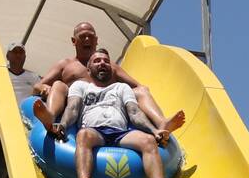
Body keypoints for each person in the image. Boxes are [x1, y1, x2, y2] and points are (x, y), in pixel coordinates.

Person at [50, 48, 175, 178]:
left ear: (111, 67)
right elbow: (72, 109)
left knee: (148, 141)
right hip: (95, 131)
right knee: (83, 135)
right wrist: (64, 125)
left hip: (120, 133)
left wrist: (154, 130)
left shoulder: (121, 88)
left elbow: (135, 113)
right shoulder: (81, 86)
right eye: (97, 61)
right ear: (88, 70)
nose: (102, 63)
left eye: (106, 61)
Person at [32, 21, 183, 136]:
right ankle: (50, 117)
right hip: (74, 105)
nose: (87, 39)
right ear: (74, 41)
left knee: (142, 90)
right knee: (58, 84)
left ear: (96, 40)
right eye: (82, 36)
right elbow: (38, 86)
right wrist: (45, 88)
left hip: (105, 104)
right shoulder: (66, 64)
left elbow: (138, 86)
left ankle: (161, 122)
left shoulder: (109, 66)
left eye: (90, 36)